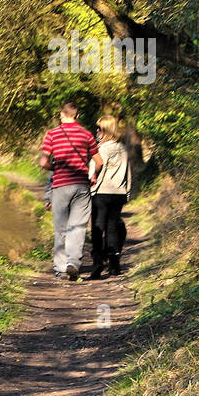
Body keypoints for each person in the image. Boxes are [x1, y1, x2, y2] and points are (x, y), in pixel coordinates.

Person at [39, 102, 104, 281]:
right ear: (77, 115)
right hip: (81, 186)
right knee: (78, 226)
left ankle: (60, 269)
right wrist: (94, 176)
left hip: (60, 186)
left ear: (62, 115)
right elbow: (99, 162)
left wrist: (56, 167)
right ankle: (73, 263)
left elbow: (43, 163)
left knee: (61, 229)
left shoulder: (52, 135)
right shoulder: (86, 135)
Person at [89, 114, 132, 278]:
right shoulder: (123, 149)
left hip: (102, 192)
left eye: (99, 128)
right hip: (118, 193)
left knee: (98, 227)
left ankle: (98, 262)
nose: (97, 131)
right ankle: (114, 264)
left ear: (104, 130)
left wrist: (91, 186)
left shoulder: (100, 149)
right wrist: (127, 191)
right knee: (112, 227)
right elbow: (128, 172)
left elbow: (95, 170)